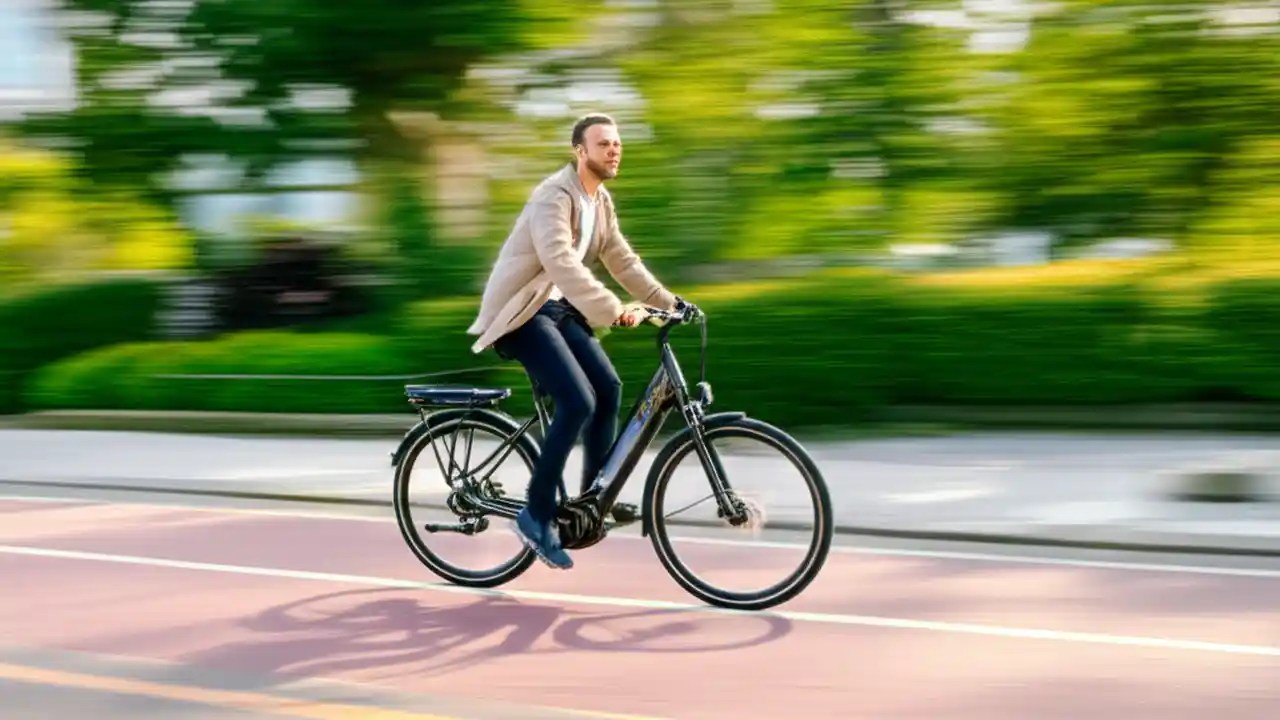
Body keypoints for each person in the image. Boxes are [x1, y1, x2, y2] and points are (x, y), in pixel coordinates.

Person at [466, 113, 679, 569]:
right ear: (579, 152)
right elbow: (560, 260)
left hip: (557, 310)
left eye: (617, 143)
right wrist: (612, 309)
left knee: (609, 388)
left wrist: (672, 302)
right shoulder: (552, 196)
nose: (614, 150)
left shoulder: (600, 202)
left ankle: (590, 503)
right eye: (603, 144)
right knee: (577, 401)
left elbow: (622, 259)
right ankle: (536, 513)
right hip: (522, 312)